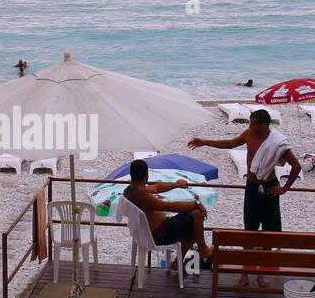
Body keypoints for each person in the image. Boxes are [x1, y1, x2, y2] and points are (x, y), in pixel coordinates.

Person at [188, 108, 300, 286]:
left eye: (254, 124)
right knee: (249, 230)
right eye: (250, 123)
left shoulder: (277, 142)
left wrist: (284, 188)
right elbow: (230, 143)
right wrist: (205, 142)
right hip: (252, 187)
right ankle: (245, 272)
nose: (250, 126)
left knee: (269, 232)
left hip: (270, 187)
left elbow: (296, 166)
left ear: (264, 125)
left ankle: (262, 272)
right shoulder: (248, 134)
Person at [122, 159, 213, 268]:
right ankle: (202, 250)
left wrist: (176, 185)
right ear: (146, 175)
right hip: (159, 235)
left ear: (132, 175)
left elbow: (156, 187)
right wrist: (196, 204)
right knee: (196, 215)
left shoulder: (130, 191)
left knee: (194, 226)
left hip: (151, 232)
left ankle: (179, 262)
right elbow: (169, 206)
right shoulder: (142, 196)